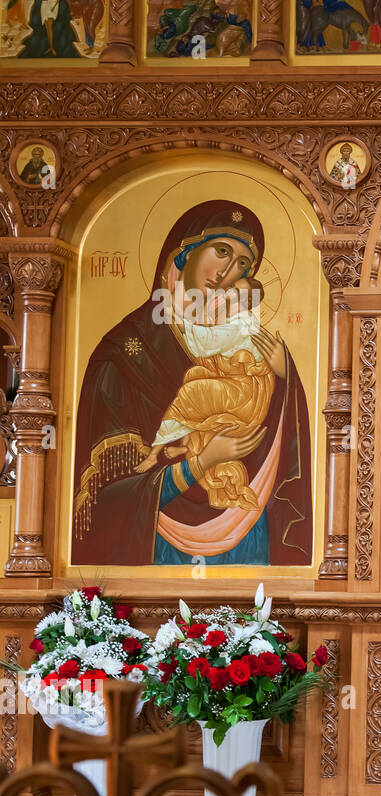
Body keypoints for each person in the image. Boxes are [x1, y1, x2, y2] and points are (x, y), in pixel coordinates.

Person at [72, 201, 313, 566]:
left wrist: (285, 376)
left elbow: (277, 436)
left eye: (244, 264)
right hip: (157, 544)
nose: (229, 271)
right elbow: (105, 501)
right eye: (221, 251)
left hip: (246, 533)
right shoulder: (124, 354)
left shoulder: (246, 341)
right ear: (183, 251)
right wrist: (199, 464)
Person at [132, 277, 275, 513]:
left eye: (235, 291)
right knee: (194, 376)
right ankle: (183, 448)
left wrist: (175, 316)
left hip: (243, 395)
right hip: (237, 386)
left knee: (192, 392)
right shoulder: (234, 320)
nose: (229, 292)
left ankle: (154, 453)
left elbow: (205, 343)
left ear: (246, 300)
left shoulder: (241, 323)